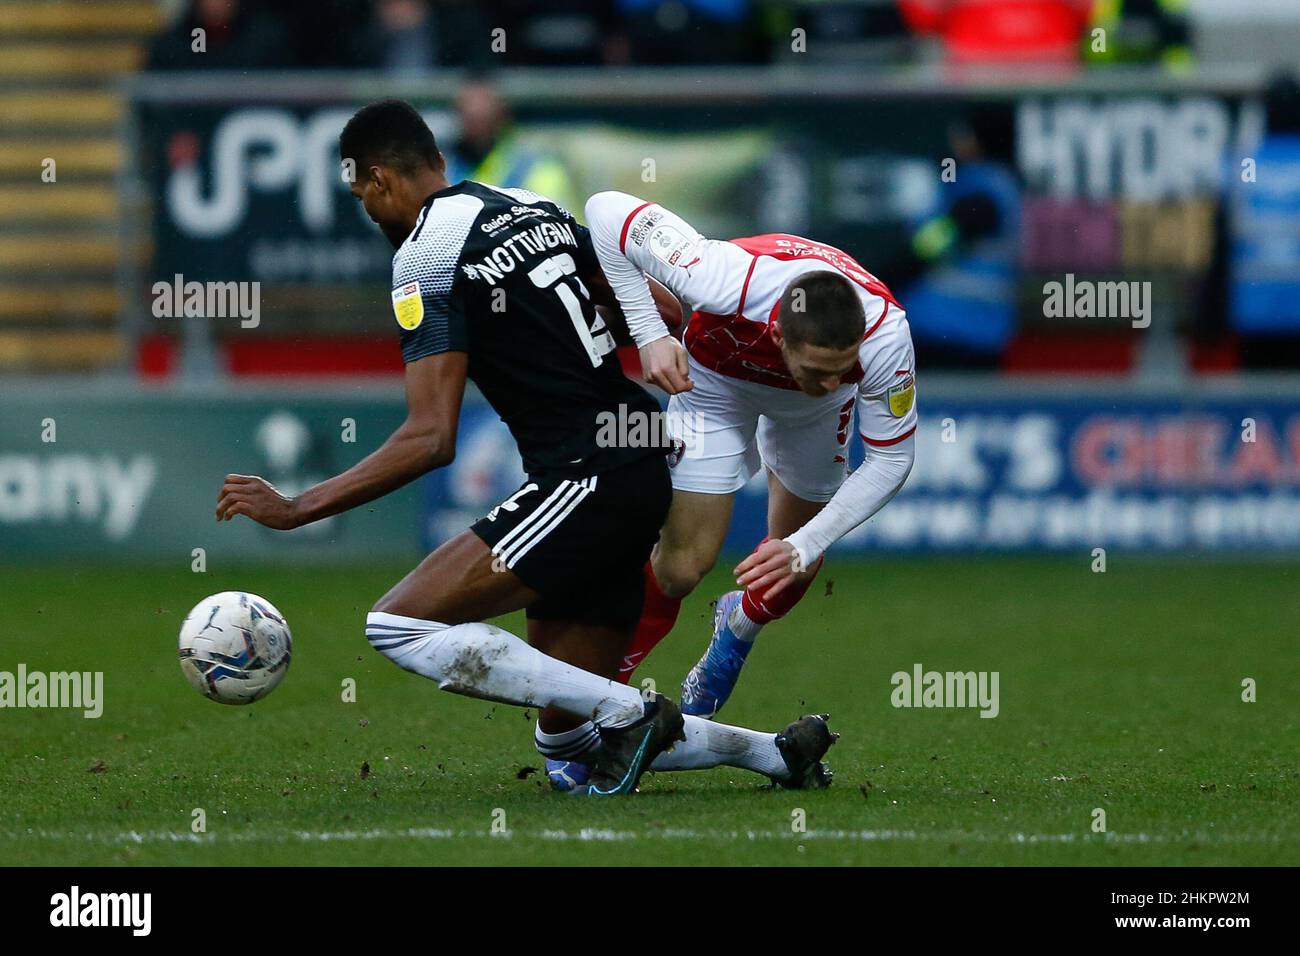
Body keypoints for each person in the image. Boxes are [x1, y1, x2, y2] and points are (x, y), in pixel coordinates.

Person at [215, 100, 834, 795]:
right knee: (569, 746)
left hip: (585, 475)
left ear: (381, 179)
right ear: (441, 162)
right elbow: (660, 310)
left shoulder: (425, 256)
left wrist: (300, 506)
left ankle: (635, 711)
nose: (368, 207)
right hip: (638, 462)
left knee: (395, 625)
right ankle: (776, 755)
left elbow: (430, 437)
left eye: (362, 194)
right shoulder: (528, 204)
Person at [536, 190, 916, 790]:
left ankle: (736, 628)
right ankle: (596, 711)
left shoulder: (887, 340)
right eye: (819, 368)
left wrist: (804, 543)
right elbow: (605, 210)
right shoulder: (723, 277)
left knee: (792, 569)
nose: (835, 379)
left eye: (845, 368)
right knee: (682, 567)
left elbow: (892, 462)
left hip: (812, 422)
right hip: (716, 384)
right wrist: (650, 334)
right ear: (778, 334)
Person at [444, 78, 578, 213]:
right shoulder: (444, 167)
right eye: (469, 116)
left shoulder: (537, 166)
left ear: (502, 115)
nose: (475, 123)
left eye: (482, 116)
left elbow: (554, 222)